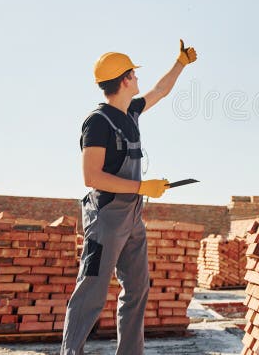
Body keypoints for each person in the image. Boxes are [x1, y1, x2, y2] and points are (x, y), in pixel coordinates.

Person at [61, 41, 197, 355]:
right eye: (134, 73)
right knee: (91, 293)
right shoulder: (97, 122)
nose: (138, 78)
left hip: (132, 217)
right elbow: (91, 177)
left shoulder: (131, 111)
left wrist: (180, 63)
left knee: (137, 290)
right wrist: (141, 187)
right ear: (124, 79)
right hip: (105, 218)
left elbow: (160, 90)